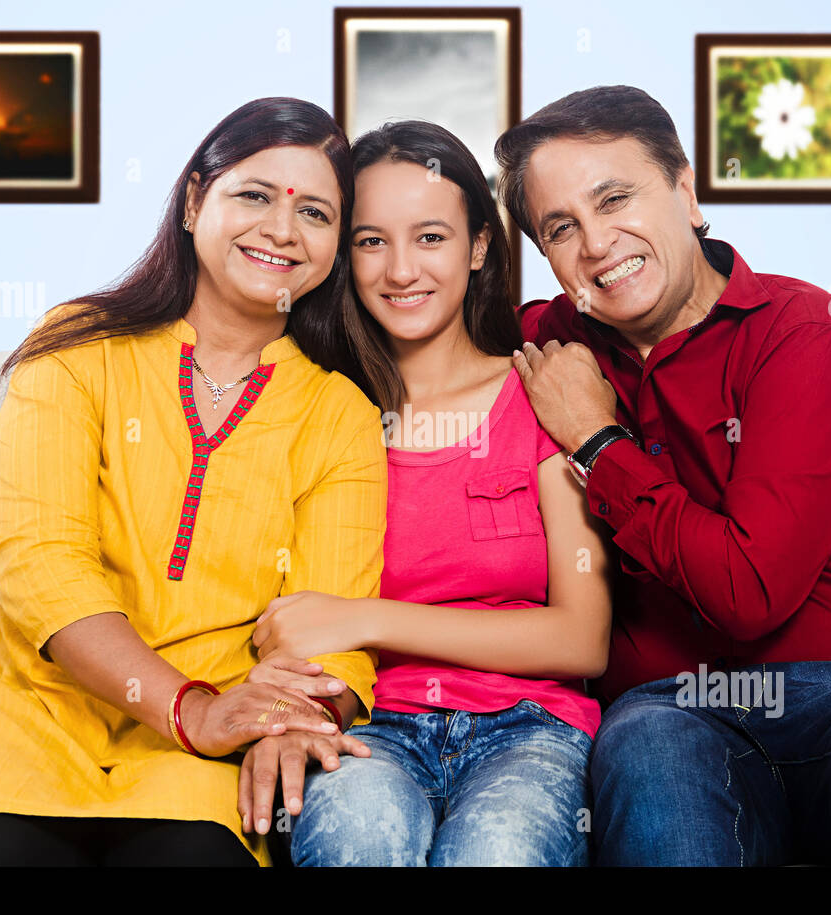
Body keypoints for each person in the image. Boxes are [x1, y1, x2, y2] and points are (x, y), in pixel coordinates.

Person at [493, 85, 831, 865]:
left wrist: (598, 441)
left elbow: (748, 589)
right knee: (646, 750)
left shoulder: (800, 332)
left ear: (686, 190)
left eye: (616, 199)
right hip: (674, 708)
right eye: (562, 227)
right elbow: (405, 313)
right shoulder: (551, 344)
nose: (597, 243)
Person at [0, 97, 387, 866]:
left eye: (316, 213)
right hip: (27, 722)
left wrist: (295, 721)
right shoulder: (75, 350)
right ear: (195, 201)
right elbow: (43, 572)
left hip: (205, 761)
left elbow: (330, 628)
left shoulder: (341, 415)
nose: (281, 230)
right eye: (253, 195)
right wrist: (190, 707)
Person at [239, 120, 613, 866]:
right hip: (371, 722)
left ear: (479, 247)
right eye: (372, 240)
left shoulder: (540, 390)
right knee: (356, 844)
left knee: (496, 855)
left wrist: (363, 618)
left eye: (432, 238)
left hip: (530, 727)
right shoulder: (319, 409)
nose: (400, 269)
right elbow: (279, 619)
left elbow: (581, 639)